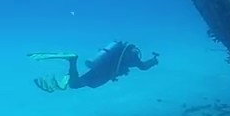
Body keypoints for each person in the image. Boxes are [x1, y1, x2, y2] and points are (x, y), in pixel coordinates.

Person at [28, 41, 159, 93]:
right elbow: (143, 67)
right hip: (104, 74)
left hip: (100, 68)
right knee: (75, 85)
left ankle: (69, 72)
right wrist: (154, 61)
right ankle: (72, 60)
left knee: (78, 82)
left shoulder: (118, 53)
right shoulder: (132, 57)